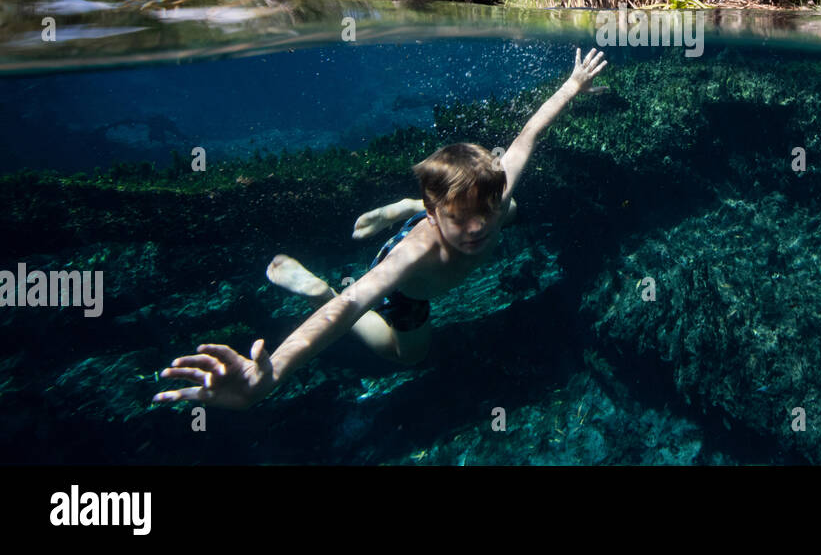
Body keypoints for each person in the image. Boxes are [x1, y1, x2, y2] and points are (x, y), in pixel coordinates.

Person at [152, 47, 608, 410]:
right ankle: (317, 288)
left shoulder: (497, 197)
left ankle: (404, 205)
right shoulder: (410, 259)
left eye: (482, 210)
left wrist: (572, 84)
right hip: (413, 282)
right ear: (435, 214)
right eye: (457, 217)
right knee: (407, 355)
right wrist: (273, 373)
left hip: (443, 213)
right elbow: (351, 306)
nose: (476, 229)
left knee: (512, 211)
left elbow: (530, 131)